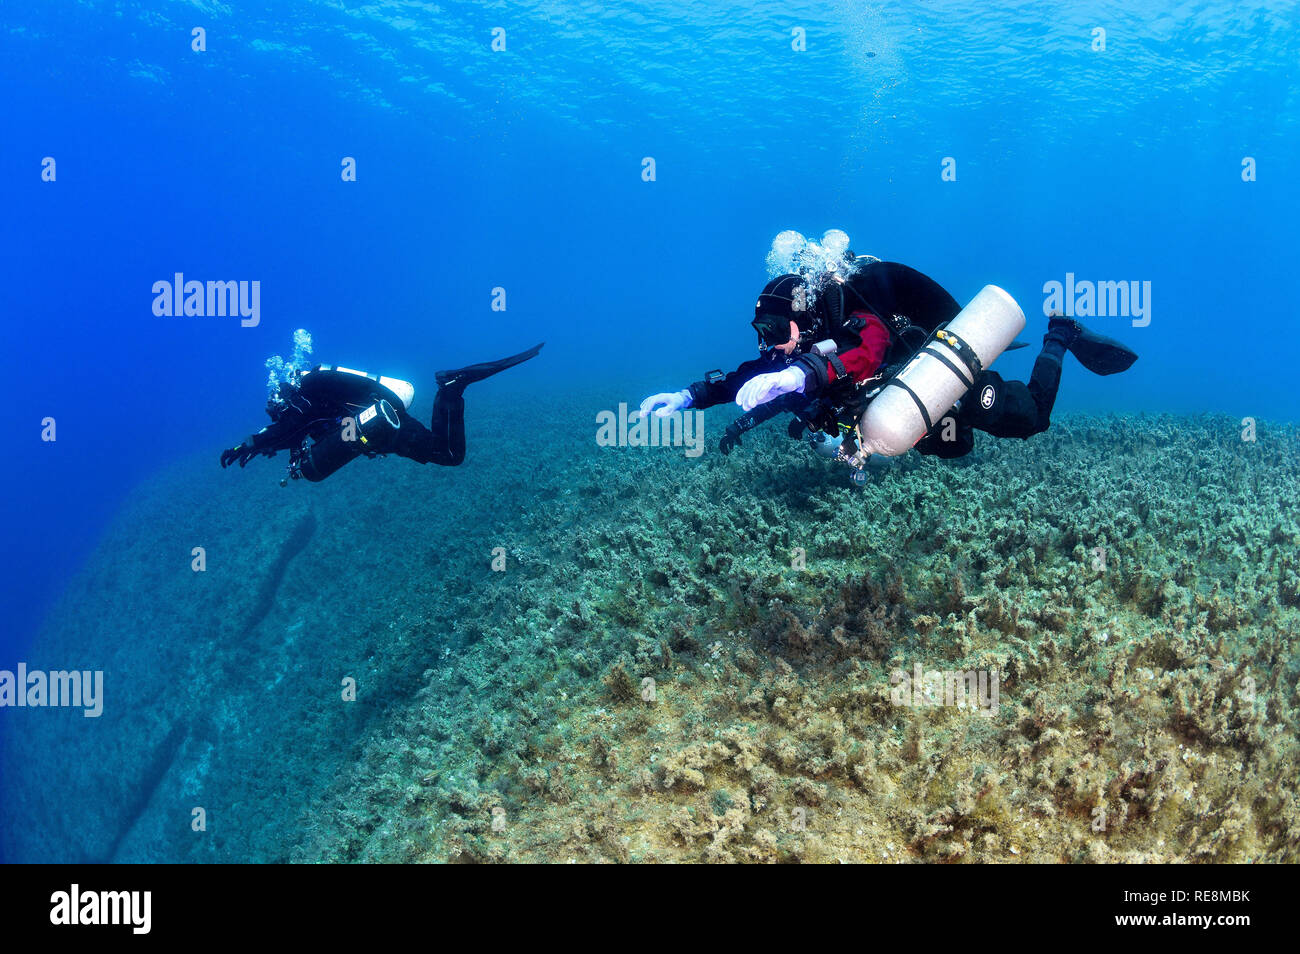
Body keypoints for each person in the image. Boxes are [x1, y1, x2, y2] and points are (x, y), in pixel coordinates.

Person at [639, 258, 1135, 460]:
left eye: (771, 330)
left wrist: (801, 371)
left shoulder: (853, 313)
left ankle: (1060, 333)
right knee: (952, 448)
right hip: (906, 402)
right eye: (758, 332)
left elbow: (869, 348)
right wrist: (690, 396)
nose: (767, 343)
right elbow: (747, 379)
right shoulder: (790, 347)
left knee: (1029, 420)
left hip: (934, 369)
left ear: (799, 317)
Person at [220, 343, 543, 482]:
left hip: (380, 417)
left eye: (276, 409)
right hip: (379, 416)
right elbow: (295, 432)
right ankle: (451, 387)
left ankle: (452, 386)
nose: (278, 414)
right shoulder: (311, 399)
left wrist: (250, 443)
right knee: (442, 451)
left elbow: (287, 429)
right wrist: (264, 444)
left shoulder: (302, 399)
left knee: (446, 453)